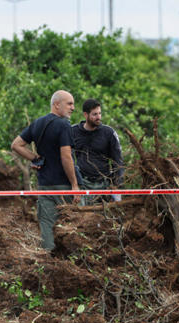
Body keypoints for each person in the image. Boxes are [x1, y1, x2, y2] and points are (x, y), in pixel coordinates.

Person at [11, 90, 80, 251]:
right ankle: (71, 261)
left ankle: (49, 261)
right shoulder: (64, 124)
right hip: (64, 186)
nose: (73, 108)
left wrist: (35, 158)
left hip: (45, 185)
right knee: (72, 225)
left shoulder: (38, 123)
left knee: (47, 226)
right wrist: (75, 185)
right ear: (56, 104)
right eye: (69, 104)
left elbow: (16, 145)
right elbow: (66, 156)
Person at [71, 98, 124, 205]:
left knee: (107, 213)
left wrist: (117, 184)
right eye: (95, 114)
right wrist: (74, 183)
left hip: (104, 182)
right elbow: (66, 157)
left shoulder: (109, 133)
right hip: (83, 182)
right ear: (85, 115)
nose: (98, 117)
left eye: (100, 113)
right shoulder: (73, 131)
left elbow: (118, 160)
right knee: (81, 213)